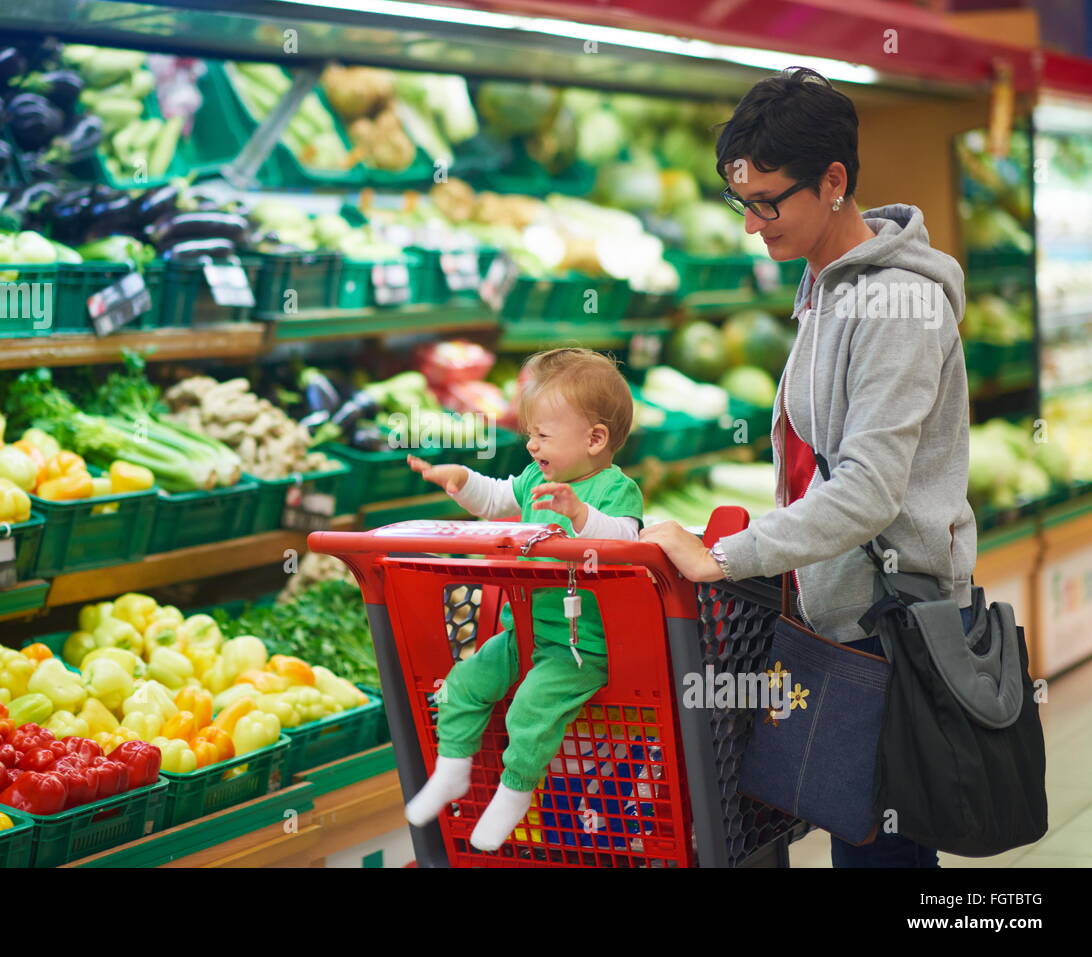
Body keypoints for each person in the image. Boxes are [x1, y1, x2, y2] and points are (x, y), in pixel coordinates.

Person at [639, 67, 976, 869]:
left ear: (833, 181)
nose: (753, 224)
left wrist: (726, 554)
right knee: (860, 844)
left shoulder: (897, 305)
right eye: (741, 202)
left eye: (768, 201)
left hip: (894, 628)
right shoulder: (822, 282)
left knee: (882, 856)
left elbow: (864, 487)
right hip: (841, 618)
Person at [401, 348, 644, 851]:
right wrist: (462, 481)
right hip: (524, 632)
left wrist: (578, 514)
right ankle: (452, 770)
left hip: (582, 648)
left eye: (543, 435)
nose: (531, 444)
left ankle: (514, 794)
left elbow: (624, 543)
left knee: (529, 709)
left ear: (595, 438)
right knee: (464, 684)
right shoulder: (537, 477)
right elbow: (497, 499)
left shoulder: (616, 491)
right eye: (530, 433)